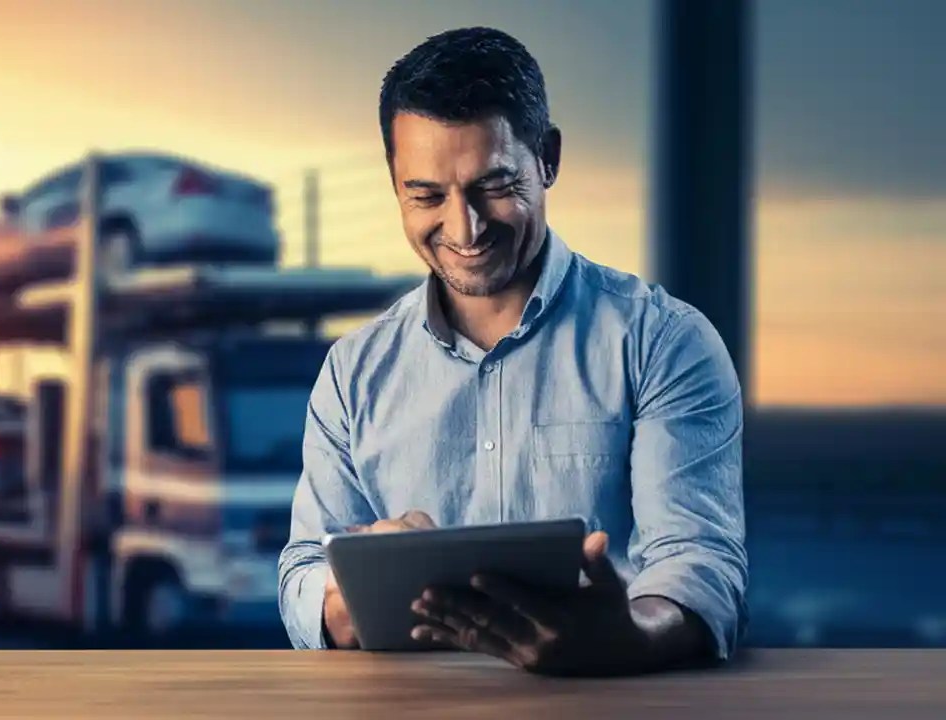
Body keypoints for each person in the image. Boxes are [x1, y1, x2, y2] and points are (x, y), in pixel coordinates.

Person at [277, 27, 747, 676]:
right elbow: (302, 568)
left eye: (493, 186)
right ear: (394, 183)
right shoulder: (352, 373)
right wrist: (339, 605)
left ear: (547, 158)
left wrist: (634, 634)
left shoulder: (664, 342)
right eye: (427, 195)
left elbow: (700, 561)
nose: (463, 227)